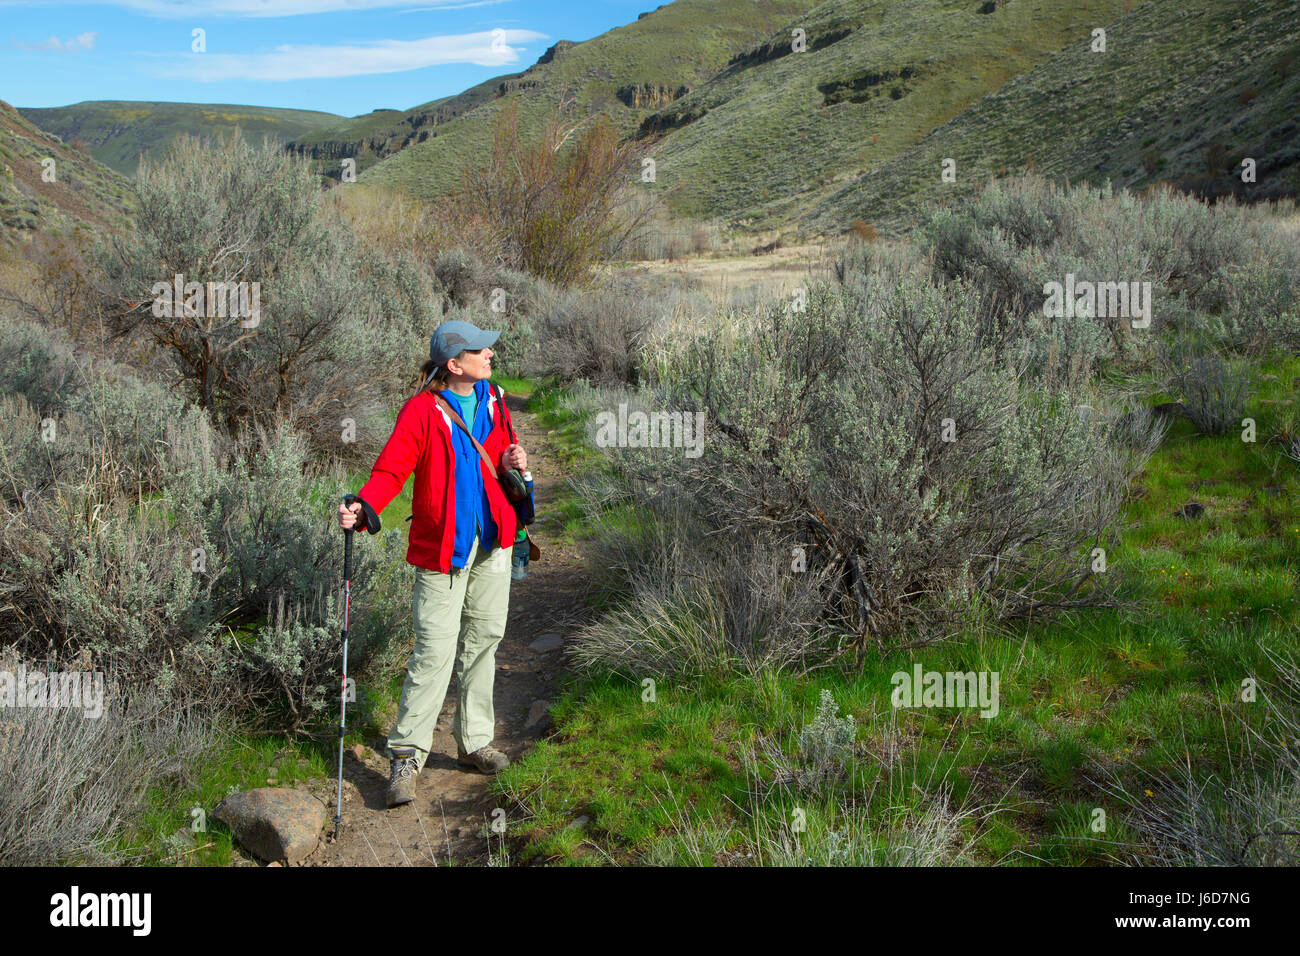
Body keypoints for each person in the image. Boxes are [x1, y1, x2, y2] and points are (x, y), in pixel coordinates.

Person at [337, 319, 528, 808]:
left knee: (485, 638)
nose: (490, 354)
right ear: (454, 363)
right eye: (480, 350)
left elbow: (502, 455)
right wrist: (365, 506)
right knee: (433, 653)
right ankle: (406, 756)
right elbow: (391, 469)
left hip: (494, 543)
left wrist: (515, 461)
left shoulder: (495, 400)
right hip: (443, 551)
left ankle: (475, 742)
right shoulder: (422, 412)